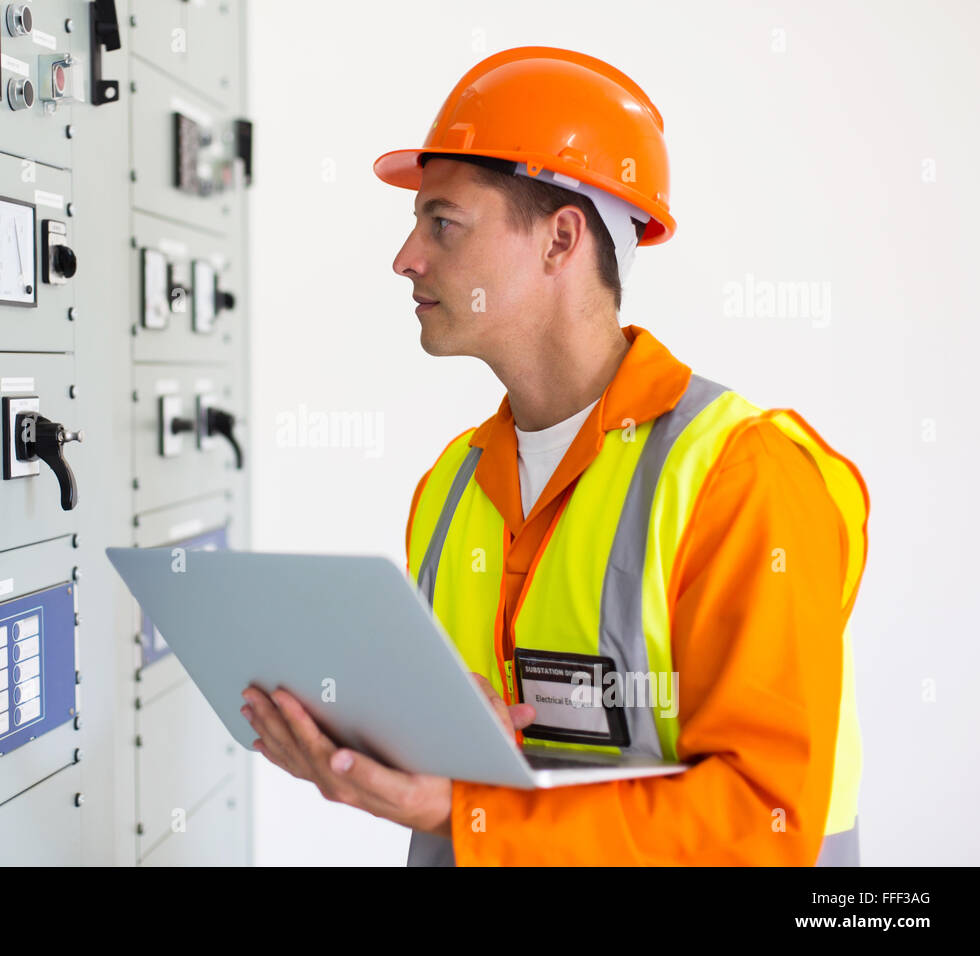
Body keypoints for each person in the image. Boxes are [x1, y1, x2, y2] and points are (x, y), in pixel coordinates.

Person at [241, 46, 868, 866]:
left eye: (443, 222)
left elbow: (762, 817)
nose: (406, 258)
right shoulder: (451, 489)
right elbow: (482, 772)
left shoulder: (741, 477)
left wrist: (469, 815)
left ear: (559, 240)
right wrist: (369, 746)